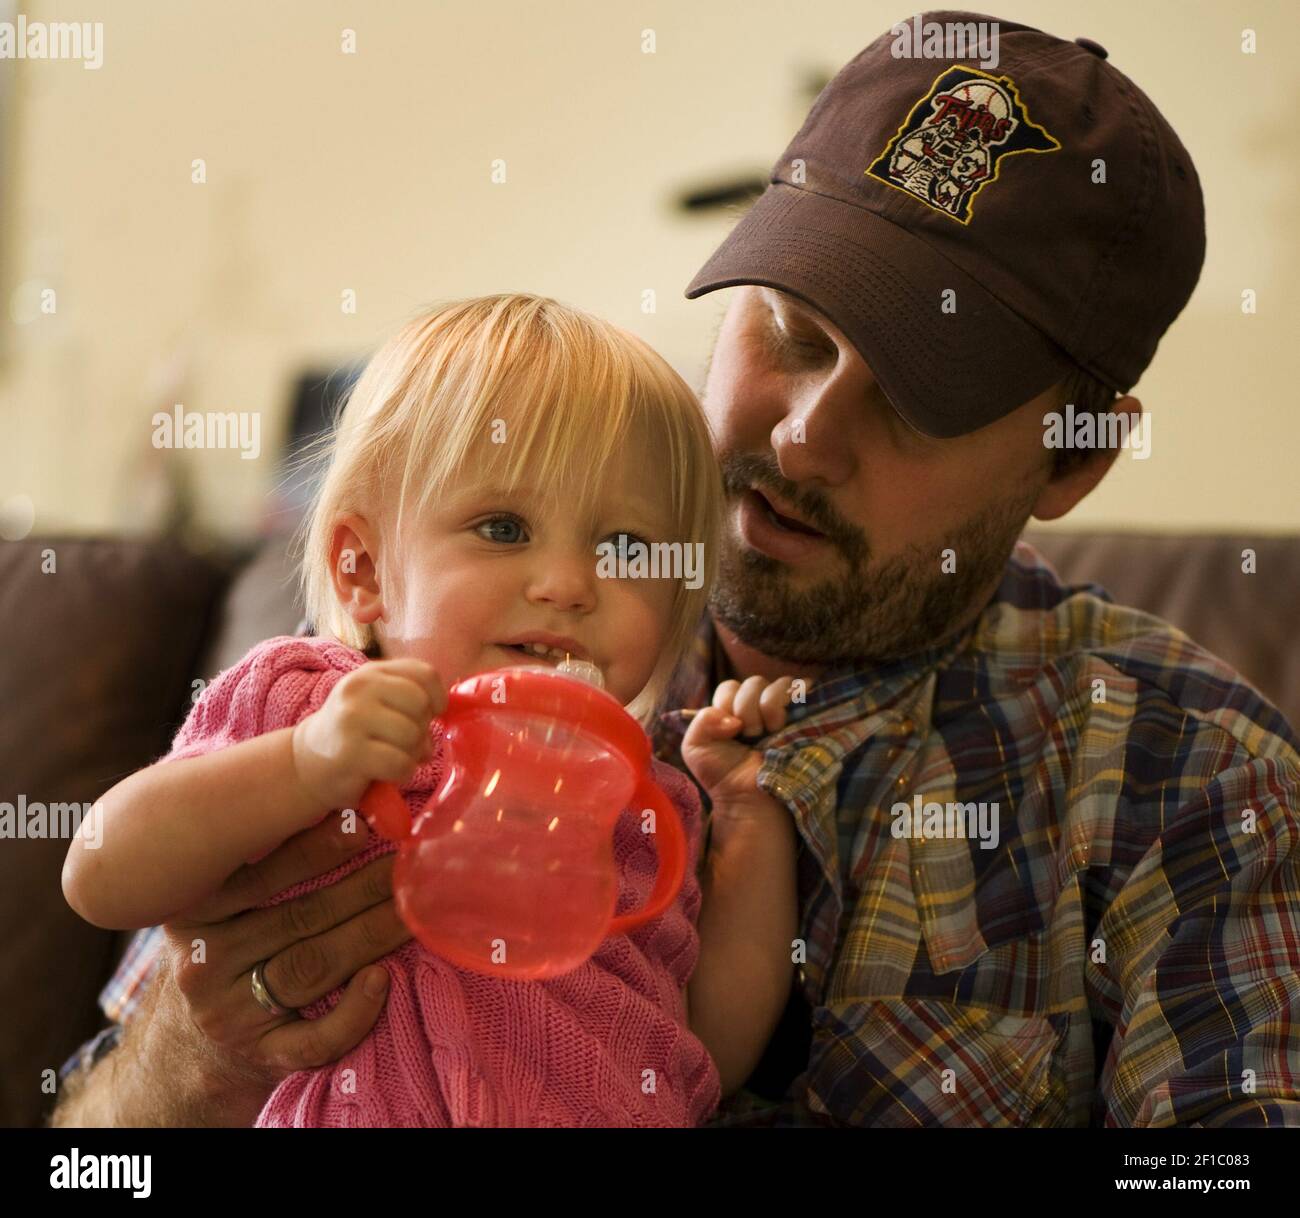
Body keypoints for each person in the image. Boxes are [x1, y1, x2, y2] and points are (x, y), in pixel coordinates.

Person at [52, 11, 1300, 1128]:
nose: (805, 433)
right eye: (792, 333)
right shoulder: (384, 663)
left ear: (1071, 462)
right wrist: (187, 1065)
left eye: (921, 402)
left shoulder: (1184, 778)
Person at [60, 293, 802, 1126]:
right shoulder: (311, 703)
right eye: (503, 527)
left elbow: (705, 1044)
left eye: (624, 549)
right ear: (363, 571)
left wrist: (750, 820)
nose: (567, 584)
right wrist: (303, 765)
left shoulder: (642, 803)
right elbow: (100, 872)